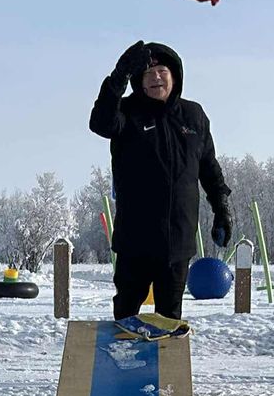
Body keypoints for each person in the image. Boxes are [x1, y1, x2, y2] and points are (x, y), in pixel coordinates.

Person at [89, 40, 231, 320]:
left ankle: (166, 363)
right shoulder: (126, 112)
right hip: (135, 240)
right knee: (127, 316)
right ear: (137, 81)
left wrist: (222, 209)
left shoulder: (194, 115)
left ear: (174, 74)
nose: (155, 77)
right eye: (146, 72)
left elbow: (209, 168)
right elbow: (100, 122)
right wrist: (118, 76)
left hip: (178, 240)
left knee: (169, 319)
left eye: (161, 70)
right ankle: (123, 361)